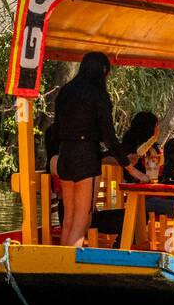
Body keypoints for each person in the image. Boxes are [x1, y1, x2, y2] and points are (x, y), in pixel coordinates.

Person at [52, 51, 125, 247]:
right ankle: (70, 266)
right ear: (102, 70)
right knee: (83, 219)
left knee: (68, 217)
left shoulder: (66, 91)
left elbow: (56, 127)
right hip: (86, 156)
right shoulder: (98, 94)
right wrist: (126, 163)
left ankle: (61, 263)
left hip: (65, 153)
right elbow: (108, 135)